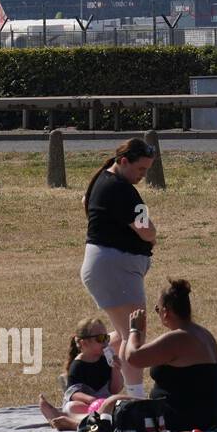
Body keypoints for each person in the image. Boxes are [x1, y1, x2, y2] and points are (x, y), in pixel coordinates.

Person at [79, 137, 158, 399]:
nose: (142, 176)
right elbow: (147, 231)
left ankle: (83, 369)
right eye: (140, 170)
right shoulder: (122, 189)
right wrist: (153, 235)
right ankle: (136, 399)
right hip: (115, 267)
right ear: (124, 162)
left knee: (124, 332)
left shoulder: (101, 180)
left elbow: (85, 204)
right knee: (134, 336)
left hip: (108, 265)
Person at [121, 278, 217, 432]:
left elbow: (133, 357)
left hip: (182, 418)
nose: (158, 314)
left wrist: (134, 330)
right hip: (213, 416)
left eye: (157, 309)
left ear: (165, 311)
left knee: (114, 403)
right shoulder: (204, 334)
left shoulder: (178, 338)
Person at [38, 316, 124, 430]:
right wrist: (92, 400)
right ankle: (59, 416)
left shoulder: (106, 361)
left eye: (106, 337)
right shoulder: (78, 365)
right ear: (84, 343)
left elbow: (115, 389)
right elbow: (73, 393)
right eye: (100, 338)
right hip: (85, 405)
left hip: (104, 404)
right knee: (72, 407)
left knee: (121, 404)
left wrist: (116, 369)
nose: (105, 342)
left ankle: (71, 421)